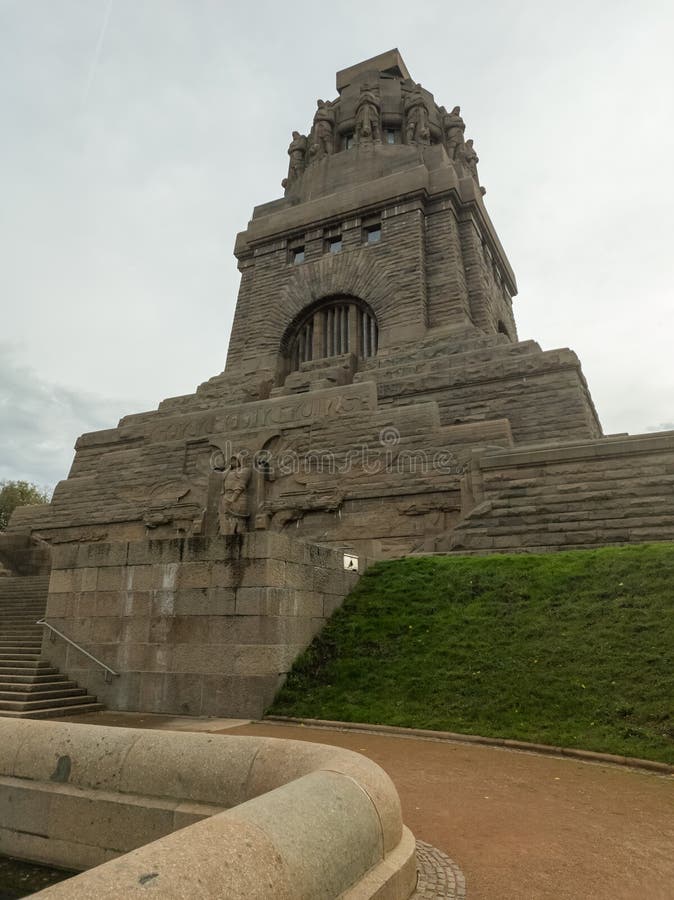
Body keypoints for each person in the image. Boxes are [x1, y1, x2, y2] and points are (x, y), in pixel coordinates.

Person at [218, 454, 252, 535]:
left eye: (235, 460)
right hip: (226, 496)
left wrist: (233, 498)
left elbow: (241, 485)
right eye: (231, 460)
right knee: (225, 520)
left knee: (238, 521)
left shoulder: (245, 470)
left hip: (239, 498)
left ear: (240, 461)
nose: (232, 462)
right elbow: (222, 476)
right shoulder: (227, 472)